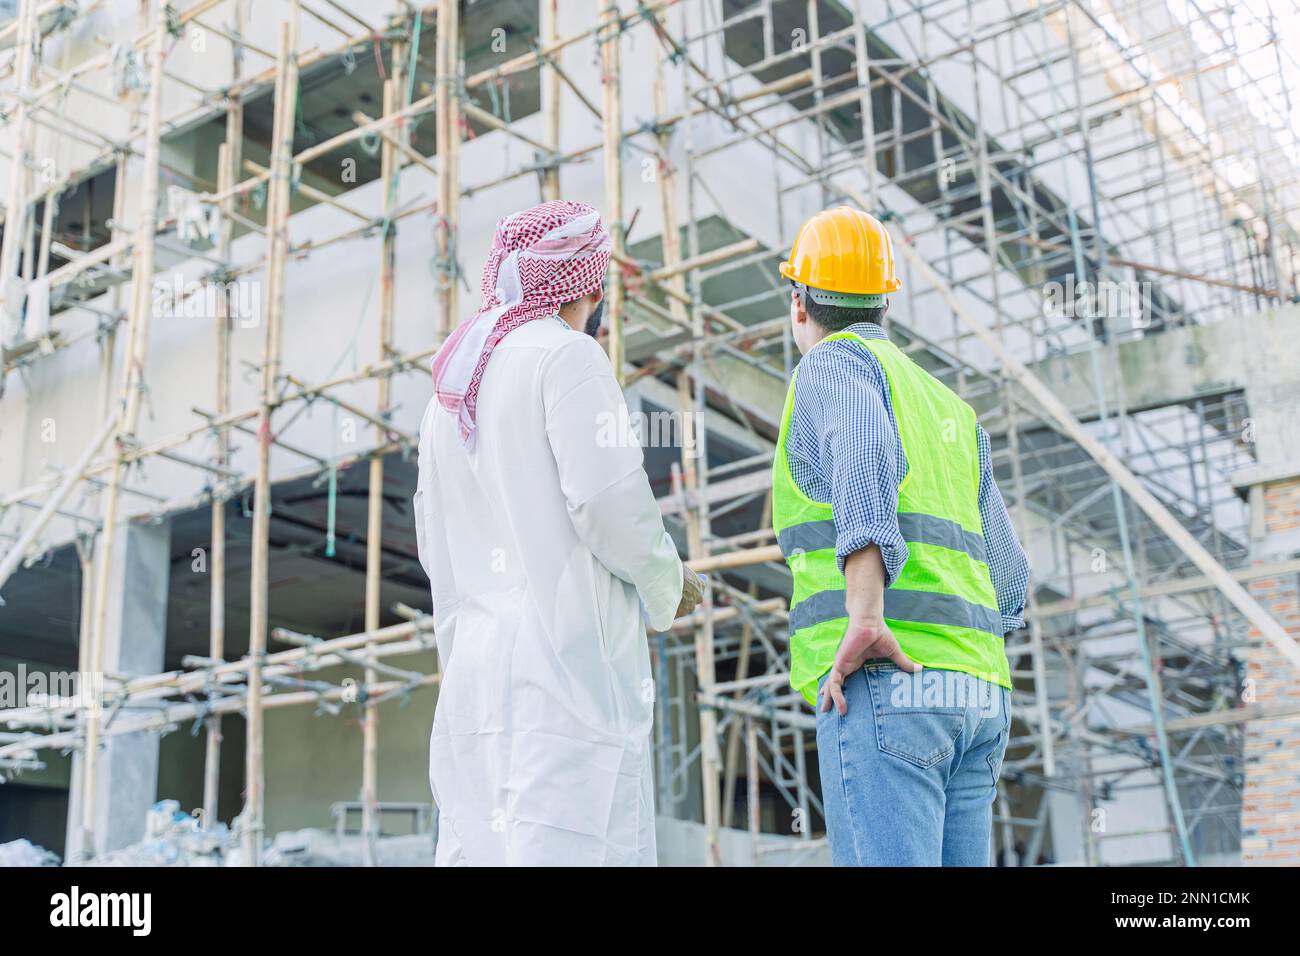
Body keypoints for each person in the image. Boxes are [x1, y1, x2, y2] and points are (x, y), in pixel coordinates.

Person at [413, 200, 703, 866]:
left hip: (475, 676)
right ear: (591, 288)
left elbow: (435, 542)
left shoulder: (449, 390)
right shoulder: (568, 358)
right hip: (564, 665)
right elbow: (607, 504)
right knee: (577, 841)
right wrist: (667, 580)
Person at [771, 206, 1029, 866]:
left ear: (799, 303)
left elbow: (863, 451)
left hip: (888, 678)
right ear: (886, 303)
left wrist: (866, 615)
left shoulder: (830, 366)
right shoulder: (951, 410)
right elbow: (1012, 579)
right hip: (976, 694)